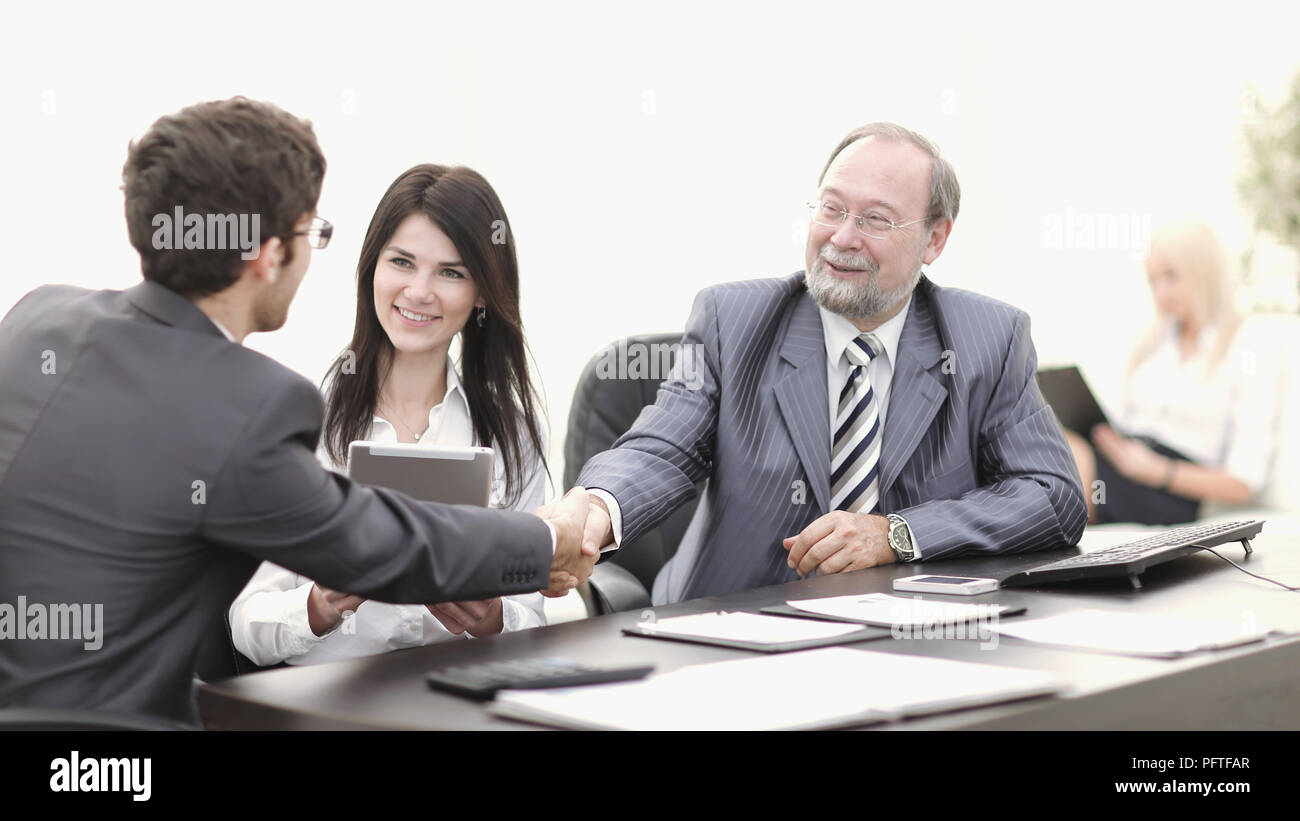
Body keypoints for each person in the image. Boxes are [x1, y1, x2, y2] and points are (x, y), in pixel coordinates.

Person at [0, 98, 594, 724]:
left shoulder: (36, 321)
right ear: (268, 255)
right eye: (313, 234)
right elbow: (380, 543)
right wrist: (546, 538)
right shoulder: (251, 404)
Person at [573, 122, 1087, 604]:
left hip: (907, 639)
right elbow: (663, 449)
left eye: (875, 220)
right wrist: (594, 509)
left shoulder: (988, 340)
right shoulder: (732, 321)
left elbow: (1052, 496)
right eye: (831, 209)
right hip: (730, 627)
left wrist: (899, 535)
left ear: (934, 239)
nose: (842, 237)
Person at [230, 165, 551, 665]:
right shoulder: (297, 419)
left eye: (451, 272)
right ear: (372, 269)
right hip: (325, 711)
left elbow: (532, 617)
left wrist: (490, 619)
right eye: (402, 262)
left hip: (454, 705)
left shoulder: (514, 435)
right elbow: (247, 623)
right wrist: (320, 605)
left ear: (482, 291)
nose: (420, 291)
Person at [1063, 220, 1278, 524]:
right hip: (1123, 464)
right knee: (1050, 439)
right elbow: (1124, 420)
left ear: (1203, 272)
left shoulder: (1247, 345)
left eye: (1171, 277)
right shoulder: (1154, 343)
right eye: (1153, 281)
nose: (1161, 292)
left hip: (1170, 488)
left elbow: (1244, 482)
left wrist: (1155, 470)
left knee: (1068, 460)